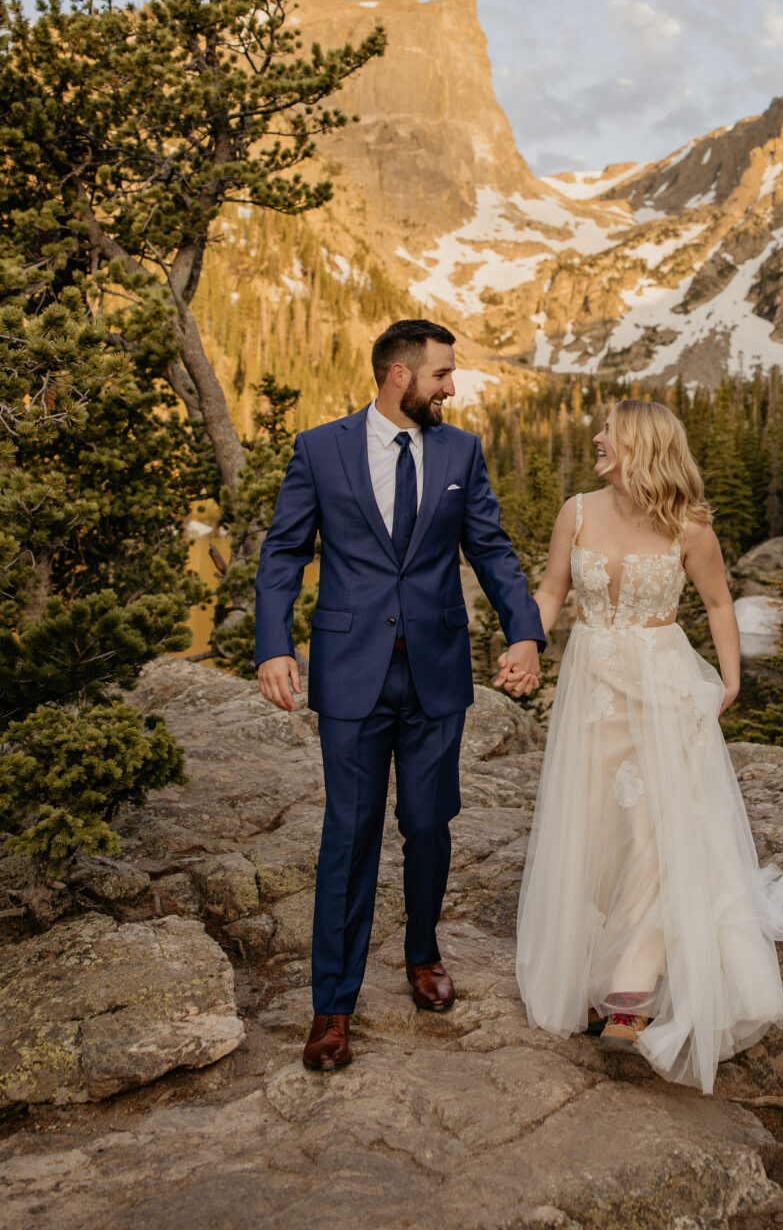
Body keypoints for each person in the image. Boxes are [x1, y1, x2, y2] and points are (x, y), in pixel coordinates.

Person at [507, 399, 783, 1093]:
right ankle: (593, 957)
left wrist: (729, 681)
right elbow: (553, 590)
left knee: (654, 833)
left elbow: (716, 603)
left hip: (667, 690)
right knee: (592, 826)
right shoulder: (577, 511)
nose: (595, 438)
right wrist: (525, 641)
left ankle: (628, 988)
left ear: (639, 446)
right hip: (591, 691)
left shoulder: (688, 526)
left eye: (607, 432)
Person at [255, 319, 543, 1073]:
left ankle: (422, 952)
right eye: (441, 374)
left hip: (437, 671)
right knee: (347, 836)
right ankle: (332, 1005)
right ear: (396, 375)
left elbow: (489, 547)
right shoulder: (320, 449)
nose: (451, 387)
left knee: (428, 824)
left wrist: (525, 633)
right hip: (350, 673)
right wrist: (274, 646)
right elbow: (284, 549)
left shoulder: (459, 450)